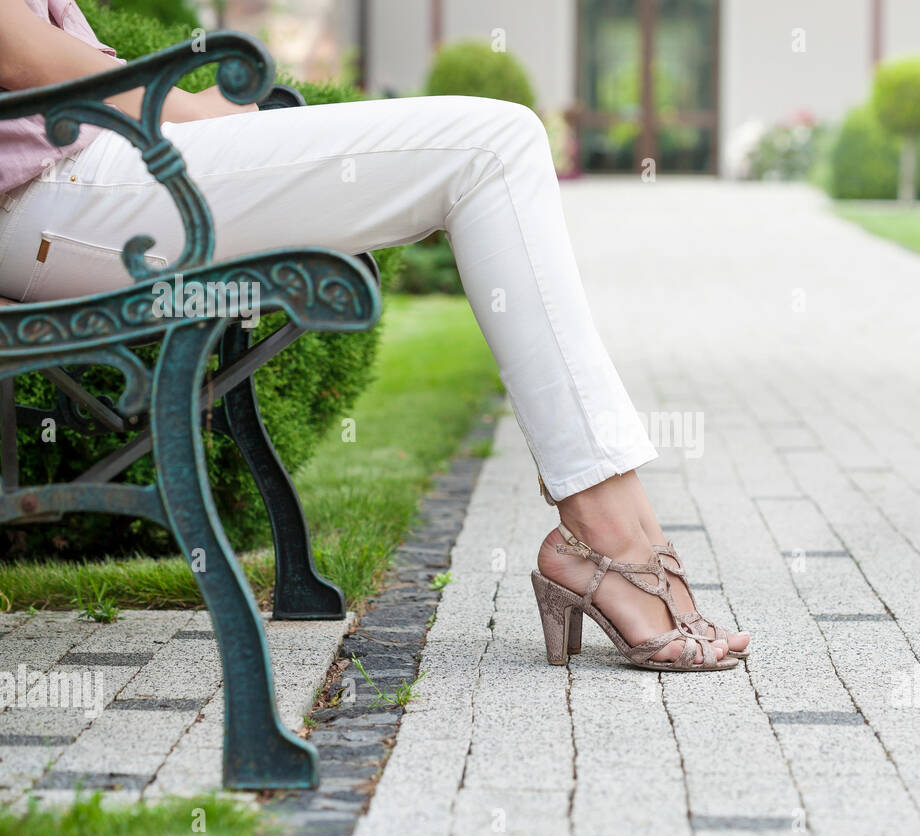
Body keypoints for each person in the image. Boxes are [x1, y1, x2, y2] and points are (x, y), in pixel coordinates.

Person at [0, 0, 750, 671]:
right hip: (56, 191)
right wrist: (191, 110)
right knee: (498, 143)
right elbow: (16, 50)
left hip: (91, 169)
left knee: (498, 144)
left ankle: (623, 537)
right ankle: (610, 539)